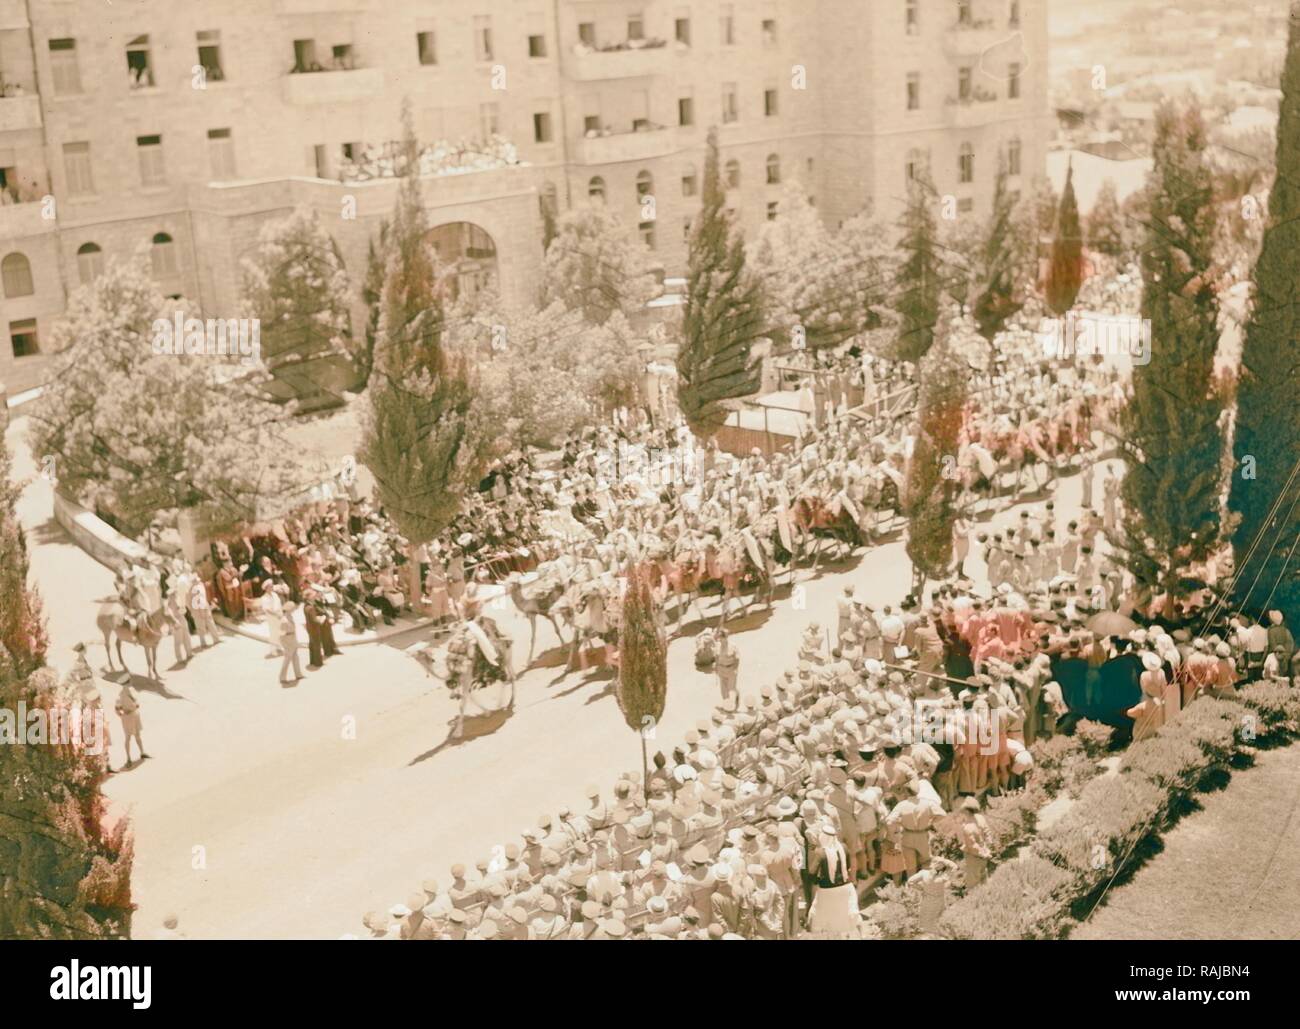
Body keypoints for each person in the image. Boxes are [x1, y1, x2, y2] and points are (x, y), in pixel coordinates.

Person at [806, 822, 859, 935]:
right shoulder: (843, 847)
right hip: (845, 887)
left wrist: (817, 881)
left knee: (826, 918)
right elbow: (849, 865)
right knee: (841, 916)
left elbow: (811, 873)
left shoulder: (820, 853)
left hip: (827, 890)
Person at [956, 797, 992, 887]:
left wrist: (982, 853)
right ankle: (985, 894)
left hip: (973, 856)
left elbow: (972, 846)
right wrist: (987, 848)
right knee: (983, 874)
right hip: (984, 849)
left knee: (973, 879)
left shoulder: (968, 828)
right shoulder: (980, 818)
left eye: (963, 811)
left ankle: (974, 897)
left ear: (967, 812)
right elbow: (987, 831)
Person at [114, 681, 148, 766]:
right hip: (128, 718)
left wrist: (135, 706)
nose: (129, 684)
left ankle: (142, 752)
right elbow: (117, 709)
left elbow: (137, 703)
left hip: (135, 715)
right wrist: (123, 714)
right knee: (128, 737)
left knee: (137, 735)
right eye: (127, 683)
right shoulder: (120, 695)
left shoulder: (131, 691)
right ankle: (128, 759)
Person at [279, 602, 304, 684]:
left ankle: (298, 674)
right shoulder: (284, 620)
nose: (293, 610)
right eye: (292, 609)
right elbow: (281, 634)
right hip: (288, 639)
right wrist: (285, 644)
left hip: (293, 637)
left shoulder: (290, 616)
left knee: (295, 657)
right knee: (287, 658)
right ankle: (282, 677)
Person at [715, 630, 739, 710]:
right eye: (719, 638)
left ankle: (732, 707)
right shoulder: (717, 646)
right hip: (721, 669)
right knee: (723, 690)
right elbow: (716, 657)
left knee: (731, 689)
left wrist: (735, 669)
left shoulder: (733, 646)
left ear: (726, 637)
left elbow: (737, 658)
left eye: (721, 638)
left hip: (731, 669)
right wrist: (716, 668)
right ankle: (726, 706)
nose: (720, 640)